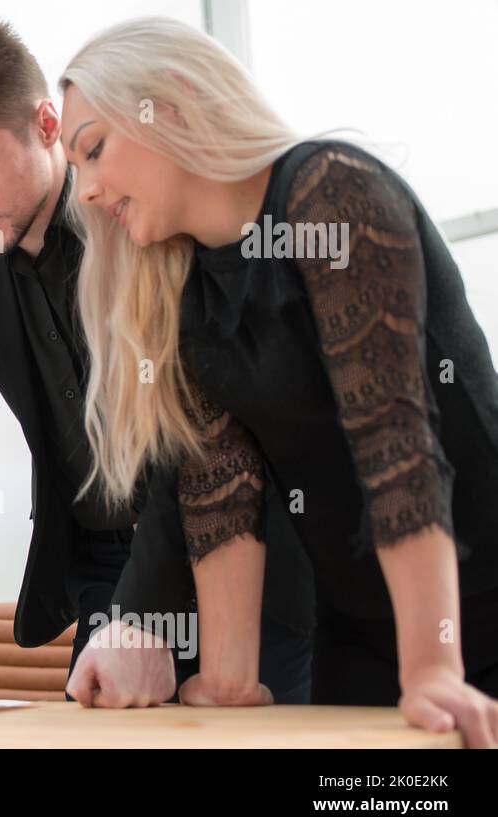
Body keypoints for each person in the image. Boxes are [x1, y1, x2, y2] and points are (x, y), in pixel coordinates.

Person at [0, 16, 315, 705]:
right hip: (101, 570)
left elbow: (198, 431)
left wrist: (146, 614)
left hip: (236, 560)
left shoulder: (134, 211)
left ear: (48, 126)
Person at [59, 17, 498, 746]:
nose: (86, 190)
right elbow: (220, 487)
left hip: (470, 609)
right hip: (357, 626)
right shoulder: (182, 287)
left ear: (176, 98)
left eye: (94, 149)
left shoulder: (330, 189)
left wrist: (432, 667)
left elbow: (394, 441)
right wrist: (231, 678)